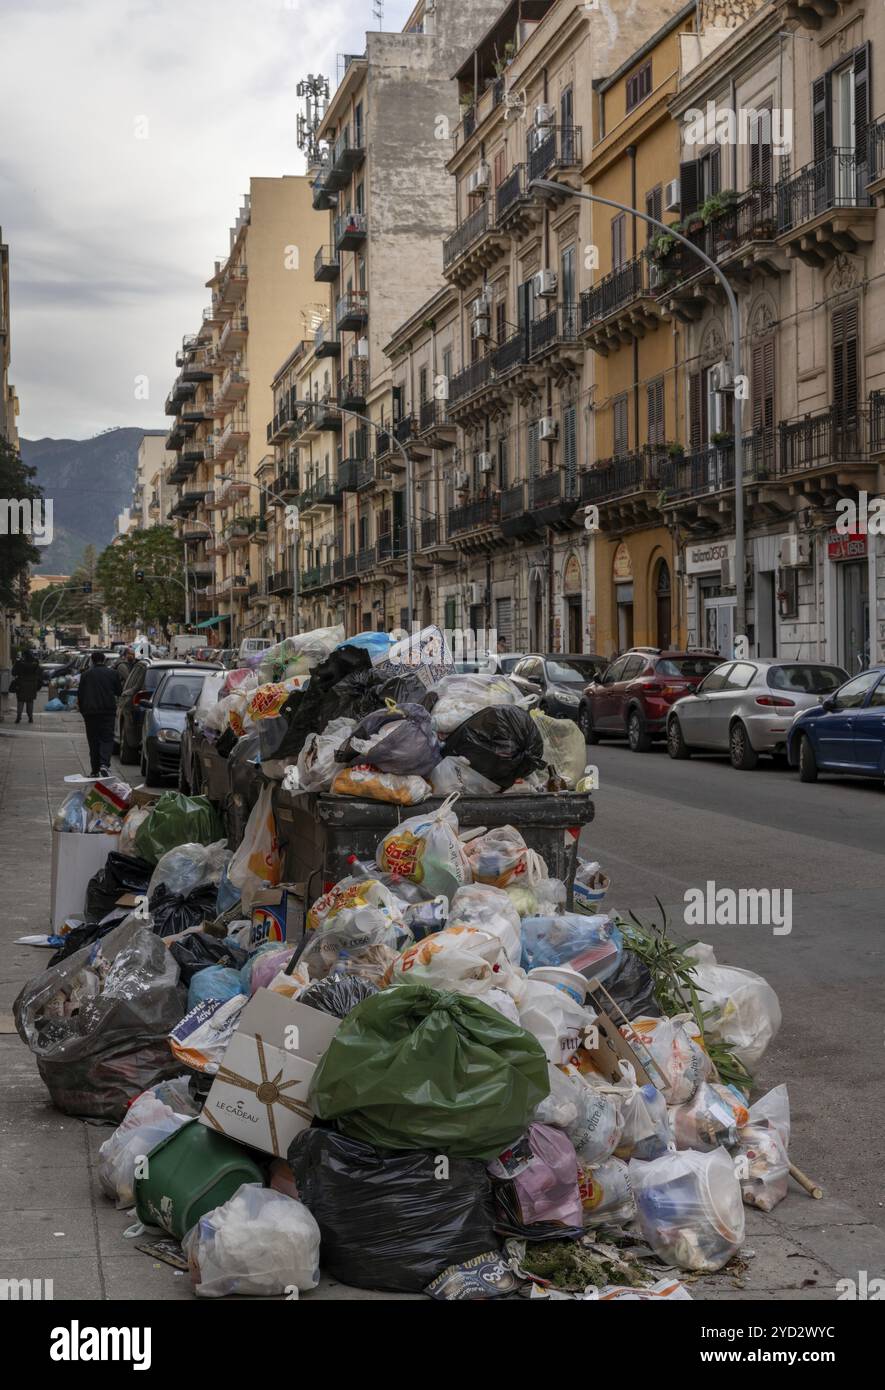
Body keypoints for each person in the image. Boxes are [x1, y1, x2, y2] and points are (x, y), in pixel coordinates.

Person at [78, 651, 122, 777]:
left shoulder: (85, 675)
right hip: (107, 712)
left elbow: (80, 695)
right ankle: (104, 764)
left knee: (93, 741)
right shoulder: (113, 674)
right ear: (104, 660)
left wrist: (83, 711)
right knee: (107, 739)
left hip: (90, 713)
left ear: (92, 660)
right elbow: (119, 691)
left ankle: (94, 770)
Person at [11, 649, 42, 724]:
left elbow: (14, 673)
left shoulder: (20, 663)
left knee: (20, 700)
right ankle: (30, 717)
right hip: (32, 684)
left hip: (21, 684)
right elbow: (39, 673)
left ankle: (18, 717)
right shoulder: (35, 662)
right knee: (30, 701)